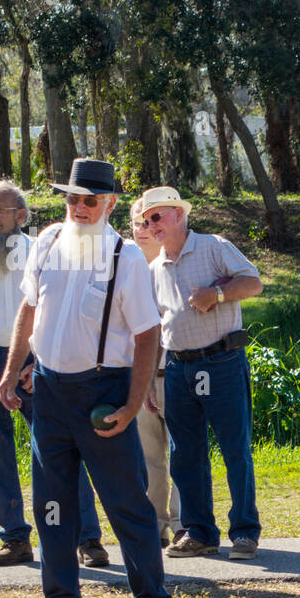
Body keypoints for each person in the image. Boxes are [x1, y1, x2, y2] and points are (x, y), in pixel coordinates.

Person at [0, 158, 171, 598]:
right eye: (71, 197)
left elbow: (147, 335)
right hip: (48, 393)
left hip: (103, 393)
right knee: (52, 505)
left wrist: (132, 406)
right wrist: (13, 371)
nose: (79, 207)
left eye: (89, 199)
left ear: (110, 203)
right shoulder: (48, 241)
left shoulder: (126, 258)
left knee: (126, 504)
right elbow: (29, 309)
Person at [0, 180, 108, 568]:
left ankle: (88, 539)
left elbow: (57, 312)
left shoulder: (44, 250)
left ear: (21, 215)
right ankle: (15, 538)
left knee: (61, 452)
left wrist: (39, 362)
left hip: (36, 362)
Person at [141, 185, 263, 561]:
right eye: (147, 220)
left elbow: (253, 282)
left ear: (179, 214)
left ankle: (244, 532)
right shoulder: (154, 268)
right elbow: (157, 328)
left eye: (157, 216)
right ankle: (199, 532)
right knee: (185, 454)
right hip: (177, 366)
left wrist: (218, 293)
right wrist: (148, 380)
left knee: (234, 449)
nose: (152, 225)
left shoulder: (213, 246)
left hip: (221, 362)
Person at [128, 197, 183, 548]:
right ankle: (155, 525)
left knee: (183, 453)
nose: (145, 229)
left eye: (152, 222)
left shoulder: (175, 263)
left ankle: (183, 524)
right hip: (140, 378)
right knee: (149, 458)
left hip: (178, 372)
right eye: (138, 223)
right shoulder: (124, 269)